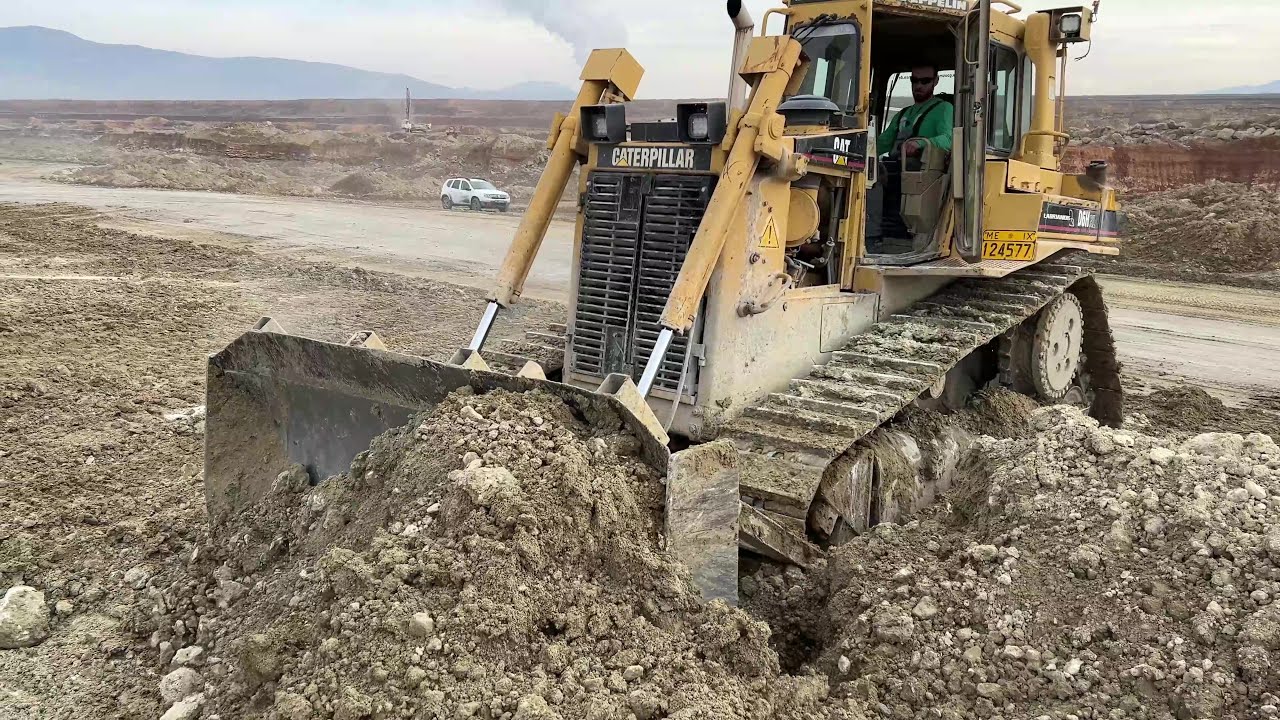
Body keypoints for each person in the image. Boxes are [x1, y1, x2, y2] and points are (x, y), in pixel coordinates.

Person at [877, 65, 954, 158]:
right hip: (894, 167)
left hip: (923, 170)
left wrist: (920, 144)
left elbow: (949, 140)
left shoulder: (944, 108)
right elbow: (882, 143)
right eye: (914, 80)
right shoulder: (902, 114)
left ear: (936, 81)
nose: (918, 86)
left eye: (925, 81)